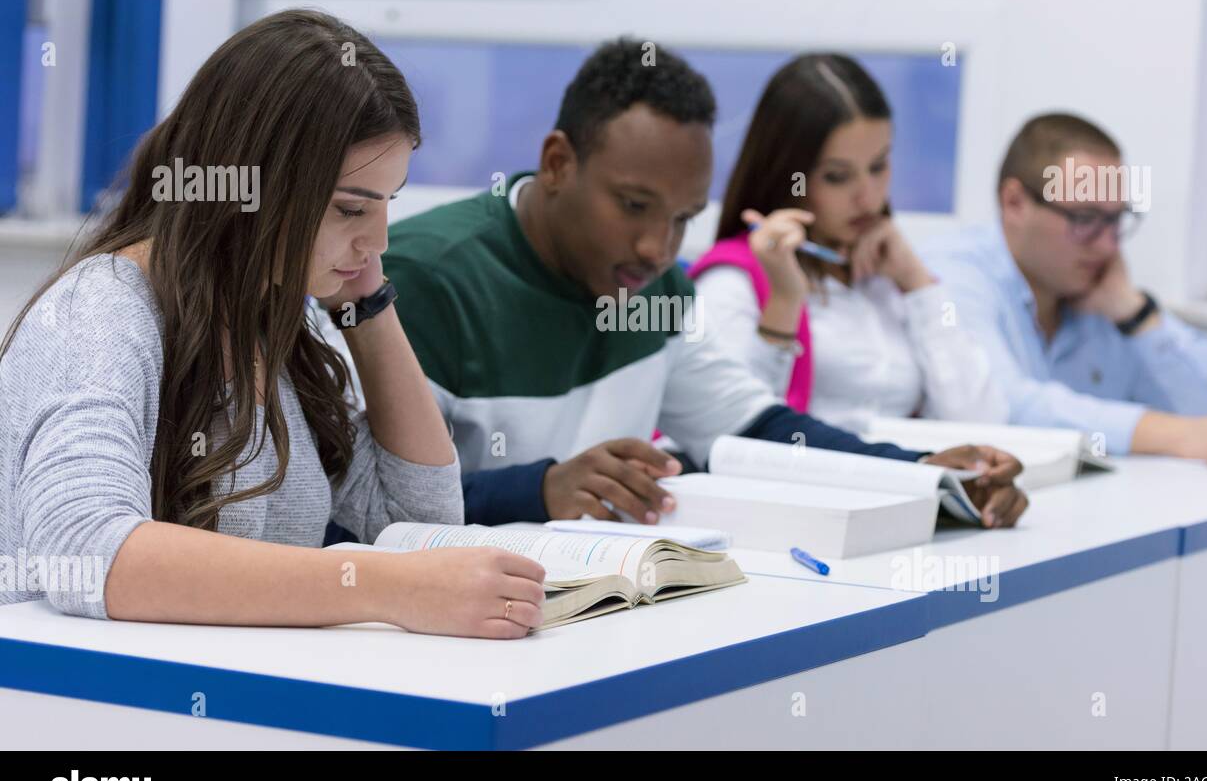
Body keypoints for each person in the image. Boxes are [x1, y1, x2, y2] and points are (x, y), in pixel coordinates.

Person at [0, 10, 546, 639]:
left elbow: (416, 516)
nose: (380, 239)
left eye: (386, 206)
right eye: (350, 209)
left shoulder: (275, 322)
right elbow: (85, 554)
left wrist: (366, 302)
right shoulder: (100, 314)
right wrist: (383, 589)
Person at [355, 39, 1028, 533]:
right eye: (633, 205)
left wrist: (919, 469)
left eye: (683, 219)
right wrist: (540, 489)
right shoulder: (422, 280)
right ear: (558, 163)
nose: (657, 248)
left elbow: (755, 429)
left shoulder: (658, 292)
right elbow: (358, 507)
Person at [921, 111, 1207, 468]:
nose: (1107, 247)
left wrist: (1136, 315)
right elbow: (1004, 406)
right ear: (1014, 202)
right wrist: (1179, 435)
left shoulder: (1099, 292)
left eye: (1116, 220)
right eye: (1085, 219)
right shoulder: (952, 275)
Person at [691, 53, 1007, 435]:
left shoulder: (887, 277)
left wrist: (918, 284)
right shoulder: (732, 283)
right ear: (787, 175)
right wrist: (785, 302)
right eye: (837, 177)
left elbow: (982, 423)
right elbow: (727, 432)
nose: (868, 197)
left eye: (878, 167)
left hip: (906, 483)